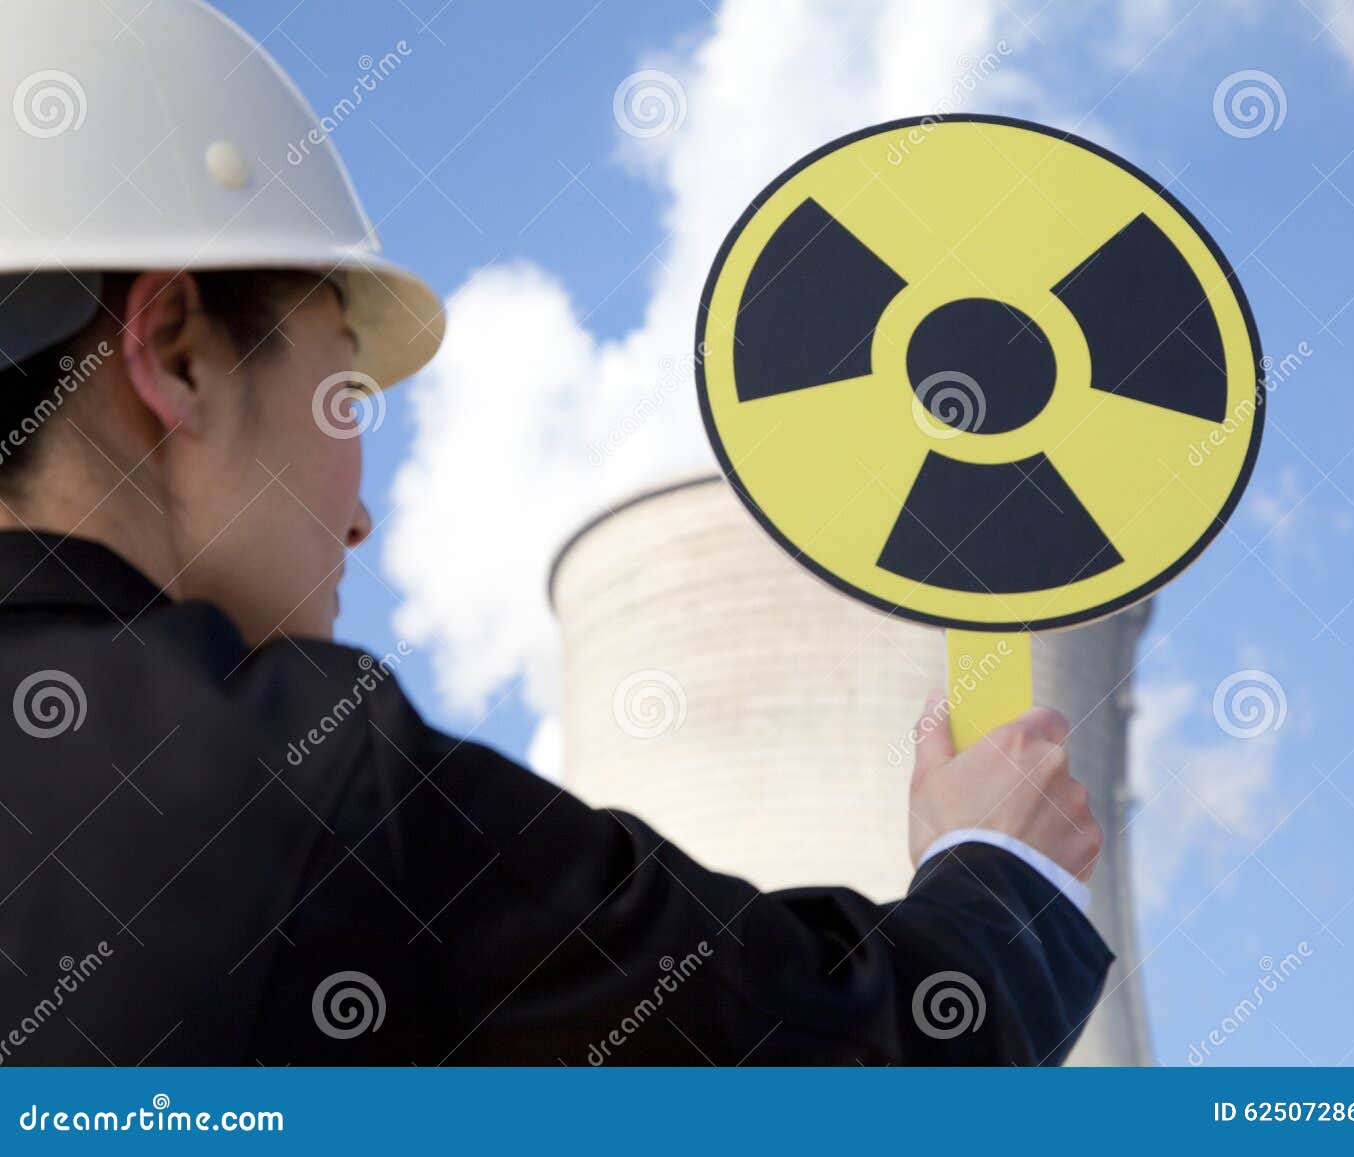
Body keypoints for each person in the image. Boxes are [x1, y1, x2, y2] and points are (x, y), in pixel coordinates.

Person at [0, 0, 1111, 1065]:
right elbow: (858, 1061)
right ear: (178, 350)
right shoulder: (309, 793)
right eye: (343, 385)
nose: (358, 513)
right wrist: (1004, 878)